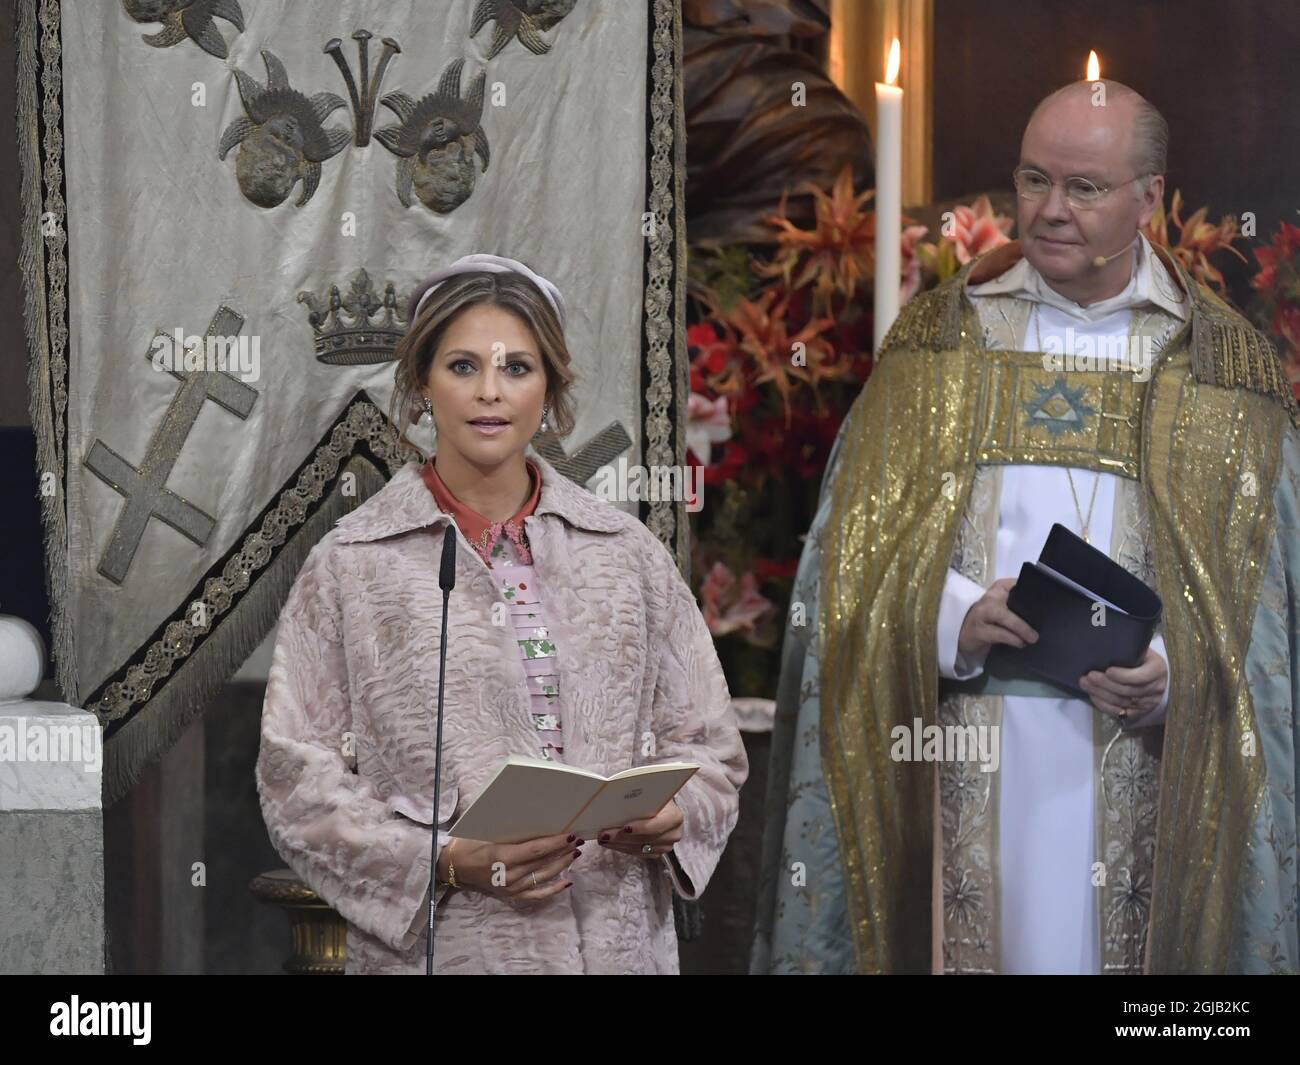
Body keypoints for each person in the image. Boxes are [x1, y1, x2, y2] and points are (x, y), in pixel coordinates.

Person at [752, 81, 1300, 974]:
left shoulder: (1222, 371)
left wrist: (1175, 676)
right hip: (965, 753)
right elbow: (842, 574)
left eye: (1083, 188)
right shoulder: (939, 347)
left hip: (1145, 768)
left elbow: (1271, 626)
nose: (1048, 211)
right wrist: (950, 619)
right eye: (1032, 180)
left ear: (1151, 197)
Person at [257, 253, 747, 974]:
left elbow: (709, 746)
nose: (490, 392)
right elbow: (295, 779)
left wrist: (675, 816)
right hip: (449, 952)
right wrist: (448, 859)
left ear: (550, 388)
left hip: (616, 945)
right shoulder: (353, 564)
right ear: (421, 384)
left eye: (517, 367)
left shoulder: (627, 554)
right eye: (462, 366)